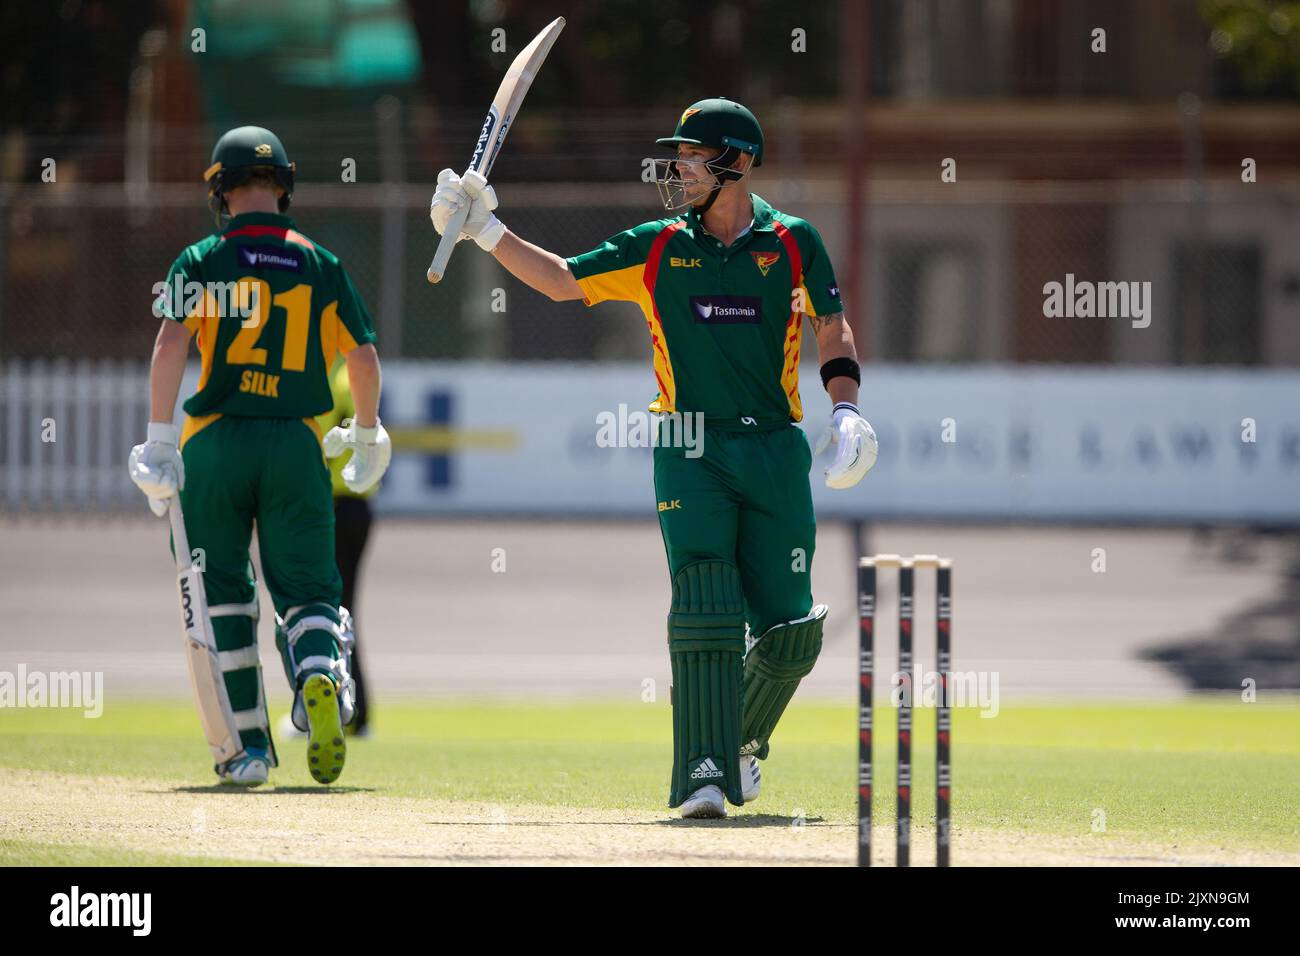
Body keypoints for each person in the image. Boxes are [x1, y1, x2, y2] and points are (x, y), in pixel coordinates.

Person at [429, 97, 878, 818]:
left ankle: (733, 743)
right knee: (705, 603)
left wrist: (847, 406)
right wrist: (486, 231)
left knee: (791, 634)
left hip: (771, 445)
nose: (678, 169)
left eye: (692, 157)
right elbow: (562, 279)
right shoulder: (658, 245)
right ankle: (702, 772)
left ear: (735, 162)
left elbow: (831, 322)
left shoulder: (794, 242)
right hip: (686, 443)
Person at [129, 126, 391, 786]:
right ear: (285, 187)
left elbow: (169, 346)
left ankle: (246, 751)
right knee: (309, 592)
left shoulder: (200, 257)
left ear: (221, 189)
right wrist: (365, 432)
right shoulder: (320, 262)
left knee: (221, 598)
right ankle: (316, 675)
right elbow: (363, 358)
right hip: (296, 446)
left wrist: (160, 437)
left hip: (215, 441)